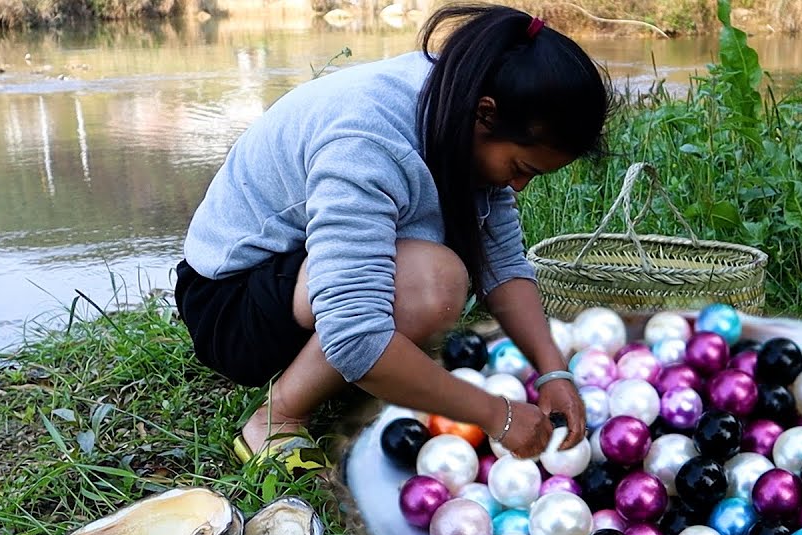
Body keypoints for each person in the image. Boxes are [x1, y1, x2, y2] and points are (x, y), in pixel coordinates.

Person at [173, 4, 614, 464]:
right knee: (432, 284)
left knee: (430, 279)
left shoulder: (461, 98)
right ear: (486, 115)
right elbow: (354, 336)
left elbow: (501, 261)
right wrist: (497, 415)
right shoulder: (368, 142)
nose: (519, 186)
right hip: (230, 303)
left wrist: (552, 371)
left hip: (296, 276)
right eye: (521, 169)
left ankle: (330, 372)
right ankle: (276, 418)